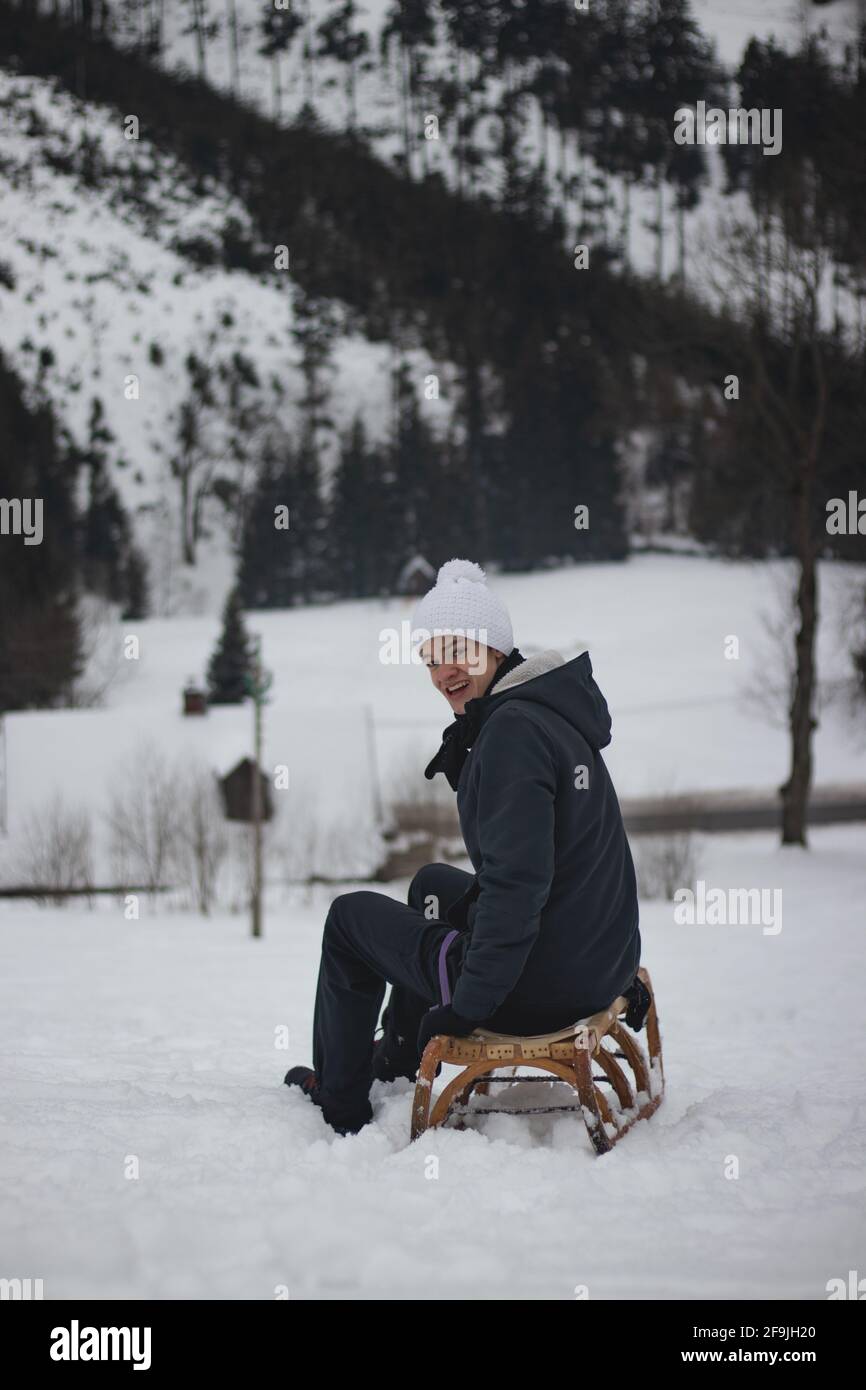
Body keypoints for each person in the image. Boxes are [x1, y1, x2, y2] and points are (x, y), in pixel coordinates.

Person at [284, 558, 641, 1135]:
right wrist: (614, 967)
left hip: (534, 988)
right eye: (430, 658)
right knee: (431, 884)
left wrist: (468, 1006)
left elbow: (516, 885)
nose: (443, 672)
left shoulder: (511, 734)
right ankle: (396, 1060)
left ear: (494, 648)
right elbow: (588, 857)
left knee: (348, 918)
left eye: (458, 652)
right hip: (592, 964)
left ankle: (341, 1102)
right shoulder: (551, 711)